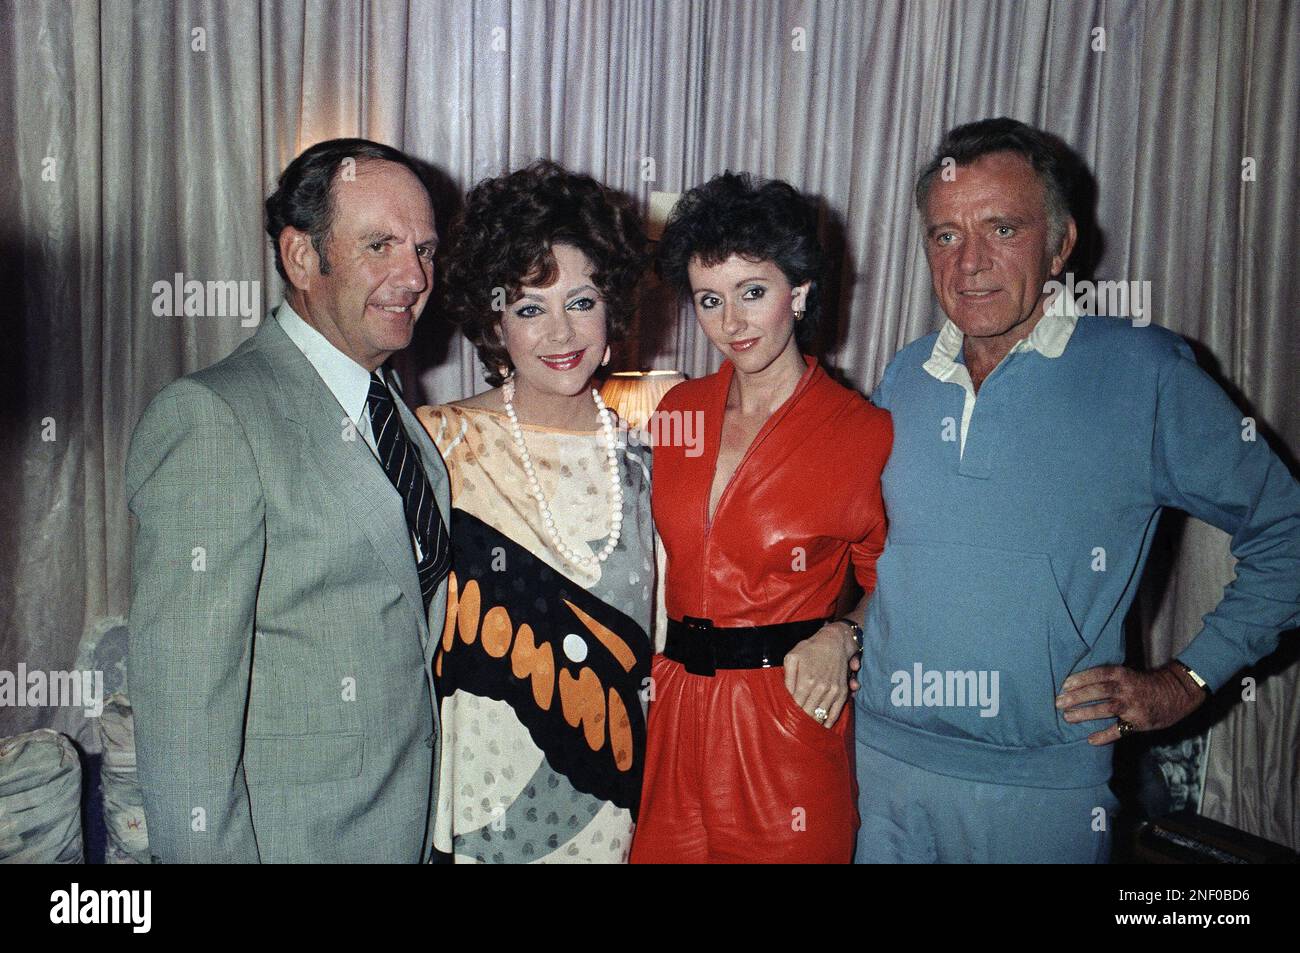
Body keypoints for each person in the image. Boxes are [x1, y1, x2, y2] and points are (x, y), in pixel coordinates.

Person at [854, 117, 1300, 863]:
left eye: (1002, 228)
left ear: (1061, 244)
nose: (969, 263)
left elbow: (1287, 532)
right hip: (886, 769)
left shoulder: (1143, 372)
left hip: (1043, 791)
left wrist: (1187, 679)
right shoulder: (903, 378)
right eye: (945, 235)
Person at [127, 138, 451, 863]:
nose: (414, 276)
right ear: (302, 257)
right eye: (381, 245)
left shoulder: (391, 405)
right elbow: (183, 721)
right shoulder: (214, 418)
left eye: (425, 250)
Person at [630, 172, 892, 864]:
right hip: (676, 715)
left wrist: (844, 633)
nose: (732, 323)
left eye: (754, 292)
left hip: (786, 726)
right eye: (710, 300)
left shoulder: (862, 433)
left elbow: (897, 585)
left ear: (799, 292)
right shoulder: (676, 414)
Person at [416, 160, 654, 863]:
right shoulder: (438, 442)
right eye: (529, 307)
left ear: (611, 307)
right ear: (495, 321)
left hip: (611, 803)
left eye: (581, 301)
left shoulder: (644, 468)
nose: (560, 333)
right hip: (479, 804)